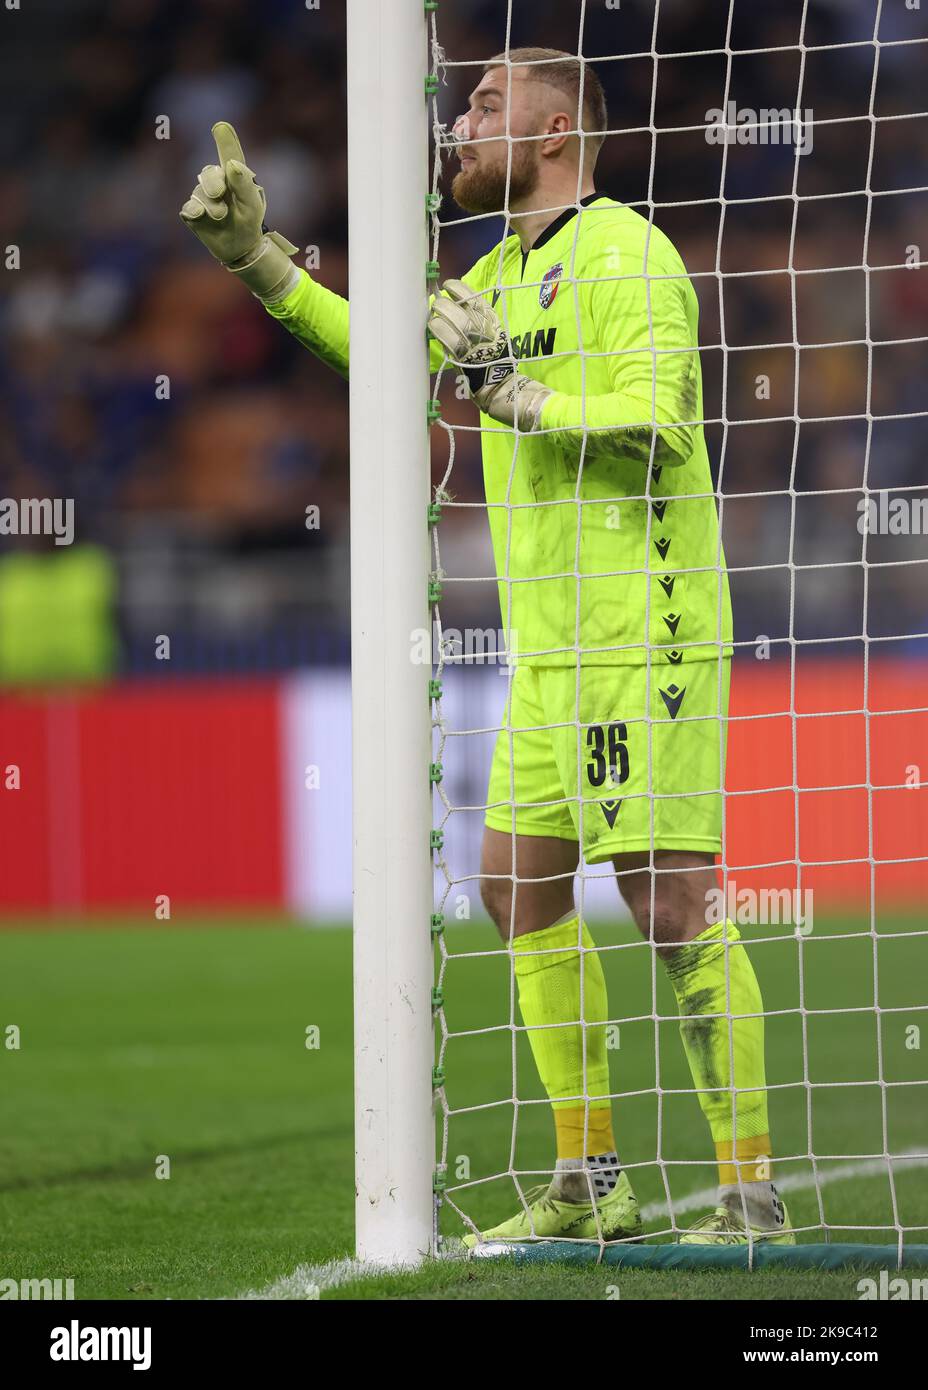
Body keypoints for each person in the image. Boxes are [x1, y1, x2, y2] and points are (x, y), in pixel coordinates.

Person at [180, 45, 792, 1249]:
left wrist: (518, 396)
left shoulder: (628, 254)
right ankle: (588, 1180)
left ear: (558, 129)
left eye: (486, 103)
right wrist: (258, 259)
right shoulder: (491, 272)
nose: (459, 120)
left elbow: (663, 424)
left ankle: (750, 1195)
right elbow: (379, 362)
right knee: (515, 883)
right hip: (550, 646)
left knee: (667, 902)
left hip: (644, 629)